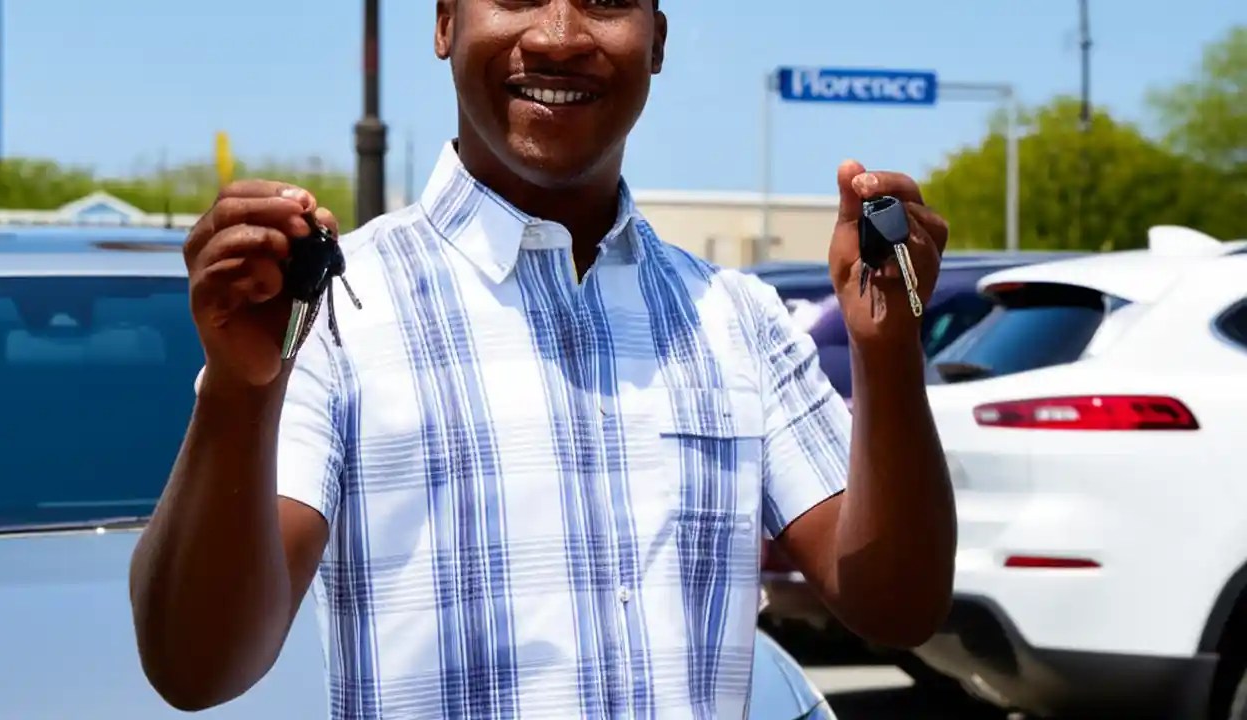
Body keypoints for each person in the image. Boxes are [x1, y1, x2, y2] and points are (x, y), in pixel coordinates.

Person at [128, 0, 956, 717]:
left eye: (605, 0)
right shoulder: (340, 312)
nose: (559, 35)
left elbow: (896, 605)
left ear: (657, 42)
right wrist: (239, 392)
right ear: (447, 22)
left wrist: (887, 350)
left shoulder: (735, 318)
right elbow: (196, 669)